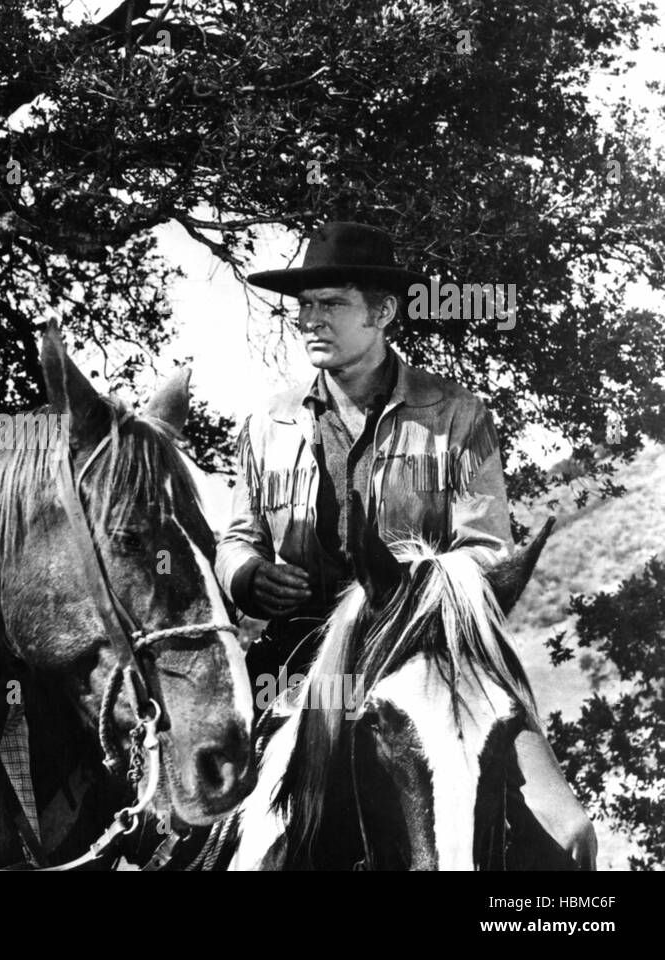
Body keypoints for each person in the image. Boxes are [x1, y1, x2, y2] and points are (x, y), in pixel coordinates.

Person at [215, 221, 597, 868]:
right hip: (300, 662)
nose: (311, 320)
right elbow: (237, 537)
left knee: (568, 833)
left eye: (332, 304)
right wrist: (250, 576)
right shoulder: (265, 425)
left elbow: (486, 550)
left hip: (428, 658)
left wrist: (407, 592)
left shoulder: (456, 416)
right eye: (304, 306)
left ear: (383, 311)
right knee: (204, 818)